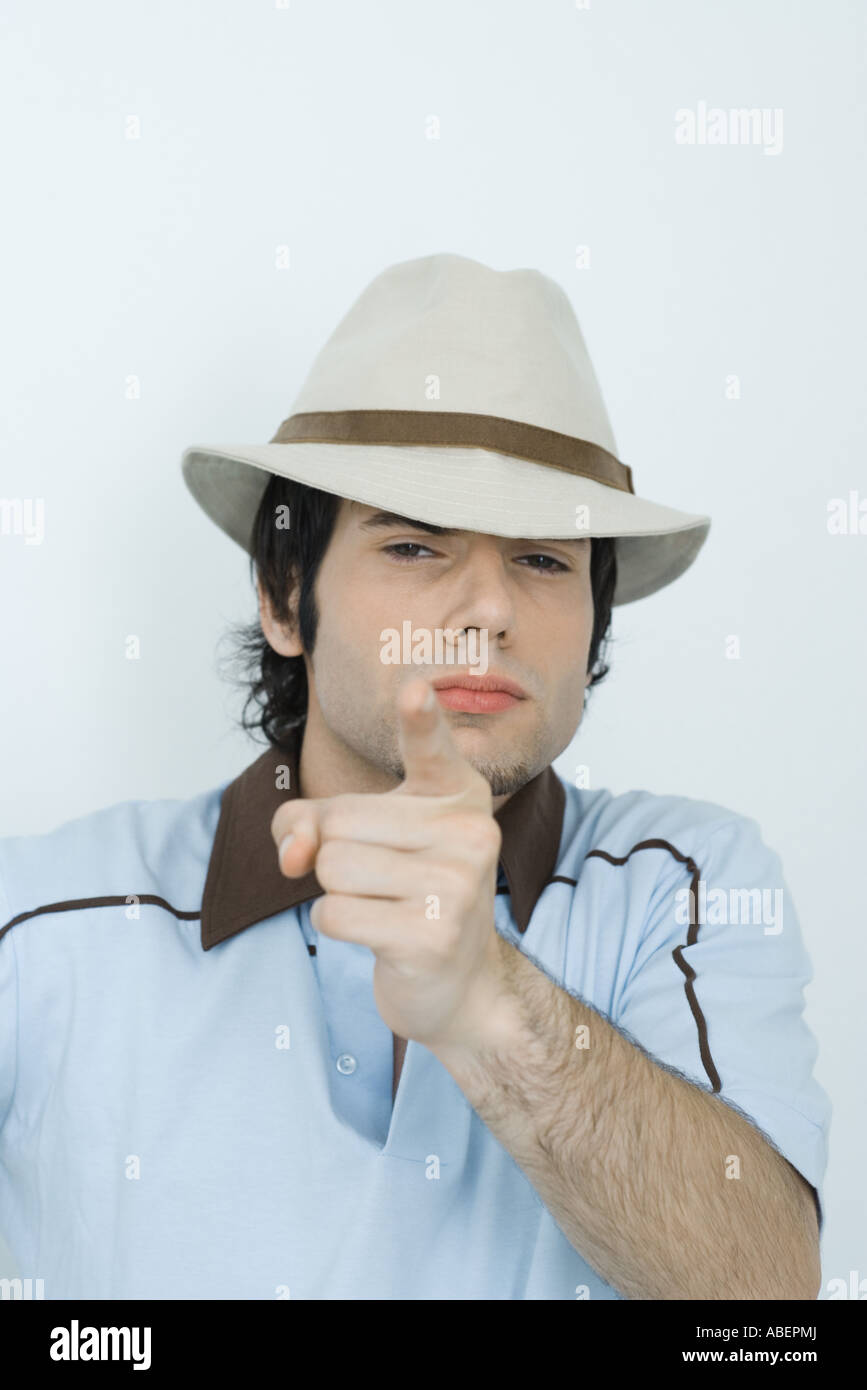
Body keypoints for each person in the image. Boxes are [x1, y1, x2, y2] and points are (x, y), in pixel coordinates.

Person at [0, 253, 829, 1300]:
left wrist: (492, 1003)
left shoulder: (687, 885)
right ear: (283, 597)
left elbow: (770, 1302)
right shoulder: (42, 924)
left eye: (542, 560)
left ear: (594, 626)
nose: (487, 609)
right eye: (413, 546)